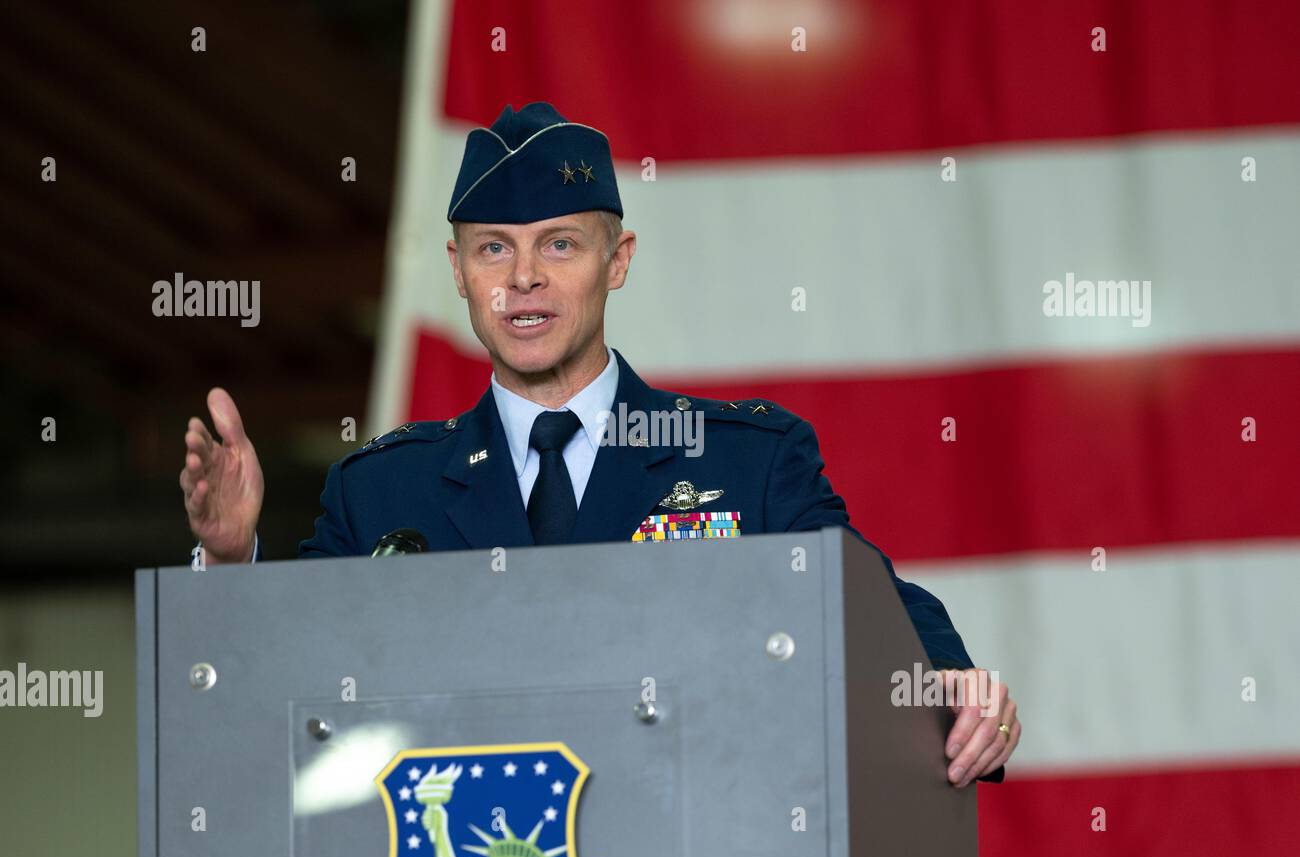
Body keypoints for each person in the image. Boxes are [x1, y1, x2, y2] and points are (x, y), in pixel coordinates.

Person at [180, 102, 1018, 787]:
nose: (523, 279)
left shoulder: (743, 462)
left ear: (617, 262)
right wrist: (228, 561)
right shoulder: (380, 493)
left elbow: (871, 604)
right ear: (459, 270)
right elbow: (278, 693)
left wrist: (951, 682)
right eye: (493, 250)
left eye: (560, 244)